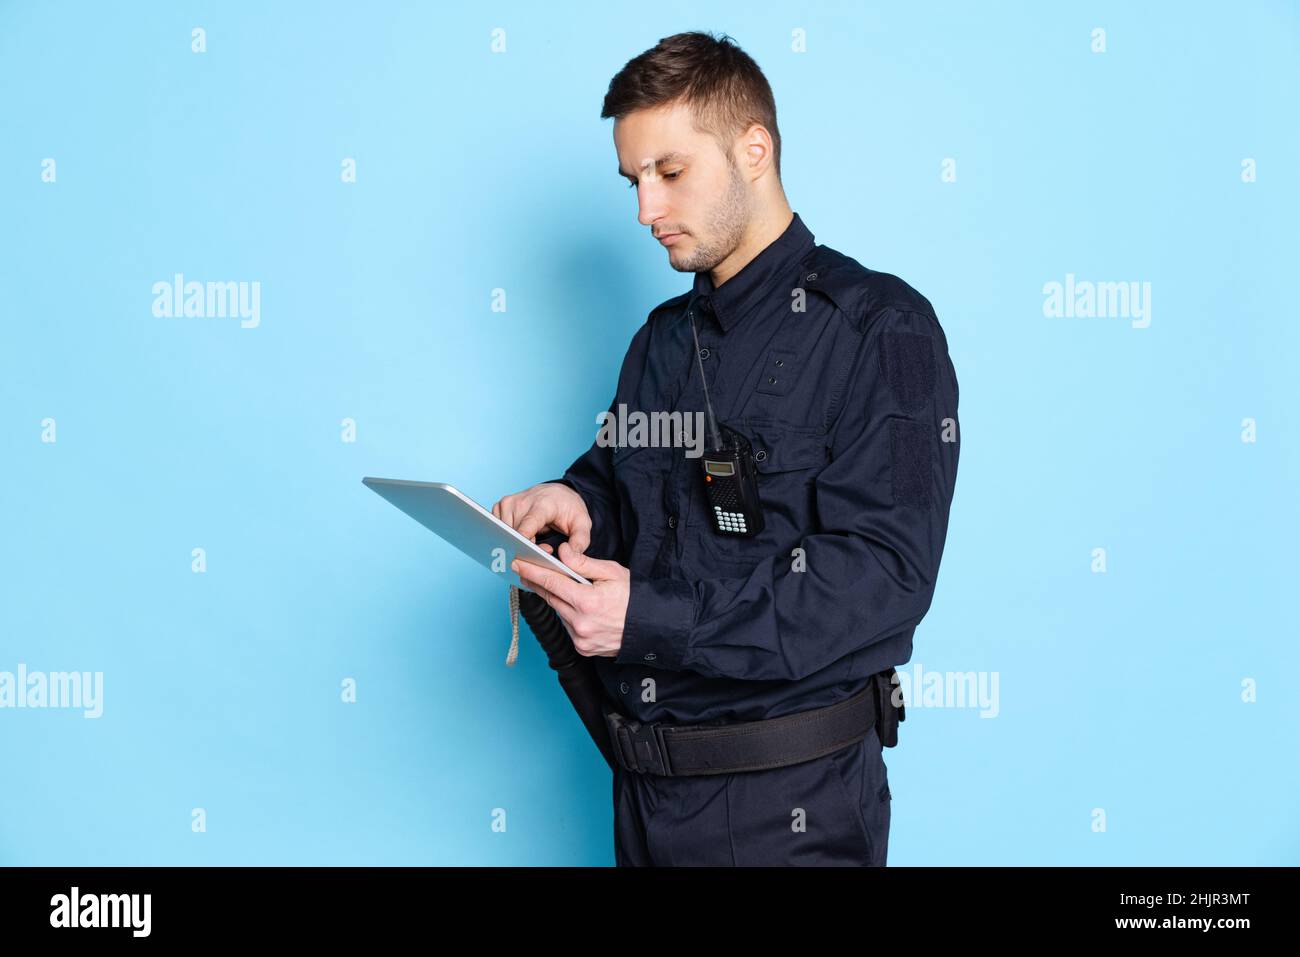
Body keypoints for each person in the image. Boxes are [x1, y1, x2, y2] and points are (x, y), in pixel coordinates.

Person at [492, 30, 960, 866]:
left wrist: (650, 619)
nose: (645, 209)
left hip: (795, 806)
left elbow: (882, 580)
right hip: (642, 797)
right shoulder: (660, 342)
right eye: (634, 181)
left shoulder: (884, 330)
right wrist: (576, 499)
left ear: (755, 149)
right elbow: (623, 472)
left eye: (669, 172)